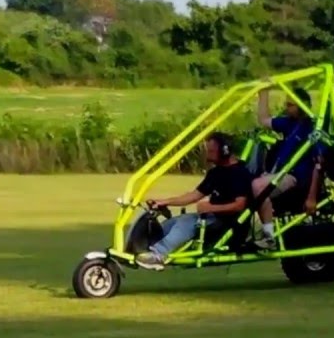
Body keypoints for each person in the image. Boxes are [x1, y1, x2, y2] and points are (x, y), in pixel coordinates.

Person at [135, 132, 253, 270]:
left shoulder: (239, 173)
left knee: (185, 222)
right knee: (172, 223)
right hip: (213, 217)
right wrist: (164, 202)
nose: (208, 155)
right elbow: (194, 195)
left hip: (230, 223)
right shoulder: (216, 173)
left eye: (211, 151)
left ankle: (158, 255)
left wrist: (210, 208)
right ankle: (146, 249)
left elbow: (240, 205)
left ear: (225, 151)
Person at [252, 83, 323, 249]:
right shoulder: (289, 123)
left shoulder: (313, 129)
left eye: (290, 105)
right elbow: (264, 120)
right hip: (280, 174)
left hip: (295, 178)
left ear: (303, 106)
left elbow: (319, 165)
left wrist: (312, 198)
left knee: (257, 186)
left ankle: (269, 237)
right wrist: (264, 93)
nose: (286, 108)